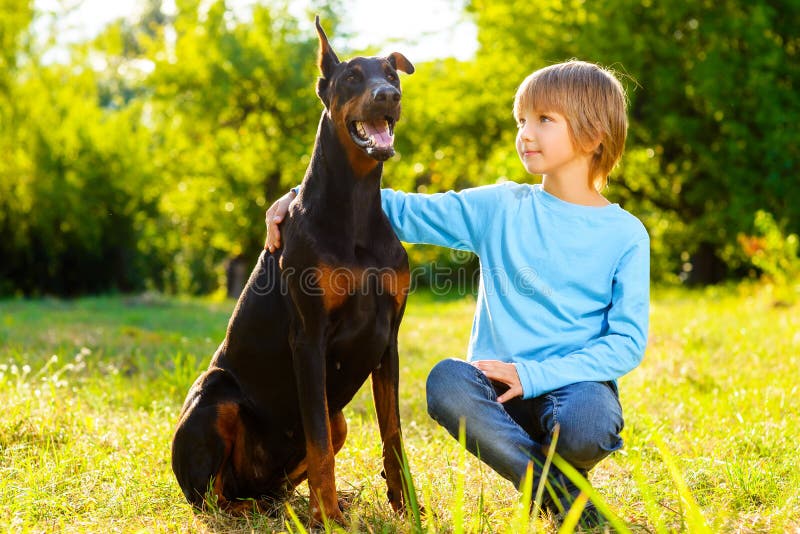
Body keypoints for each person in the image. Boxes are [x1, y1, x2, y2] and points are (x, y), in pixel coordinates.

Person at [265, 60, 649, 527]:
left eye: (544, 120)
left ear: (594, 134)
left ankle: (550, 485)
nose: (525, 133)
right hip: (492, 395)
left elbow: (626, 344)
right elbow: (394, 208)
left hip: (575, 390)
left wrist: (533, 374)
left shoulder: (626, 234)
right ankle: (558, 491)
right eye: (521, 120)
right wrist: (297, 196)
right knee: (446, 382)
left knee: (590, 424)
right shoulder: (500, 206)